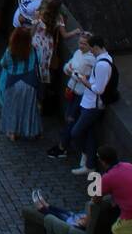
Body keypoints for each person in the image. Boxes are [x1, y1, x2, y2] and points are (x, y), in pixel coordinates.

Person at [47, 32, 113, 174]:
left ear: (95, 47)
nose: (84, 47)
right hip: (84, 99)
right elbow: (68, 66)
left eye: (88, 45)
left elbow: (98, 88)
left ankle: (83, 156)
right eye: (81, 43)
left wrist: (83, 80)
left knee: (76, 131)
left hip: (90, 103)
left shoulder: (99, 63)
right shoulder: (89, 56)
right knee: (89, 133)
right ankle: (89, 163)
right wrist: (73, 72)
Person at [0, 26, 42, 142]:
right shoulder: (33, 50)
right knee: (29, 108)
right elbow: (38, 63)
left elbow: (3, 64)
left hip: (13, 83)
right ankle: (31, 131)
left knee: (12, 108)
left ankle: (12, 132)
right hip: (29, 83)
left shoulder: (10, 51)